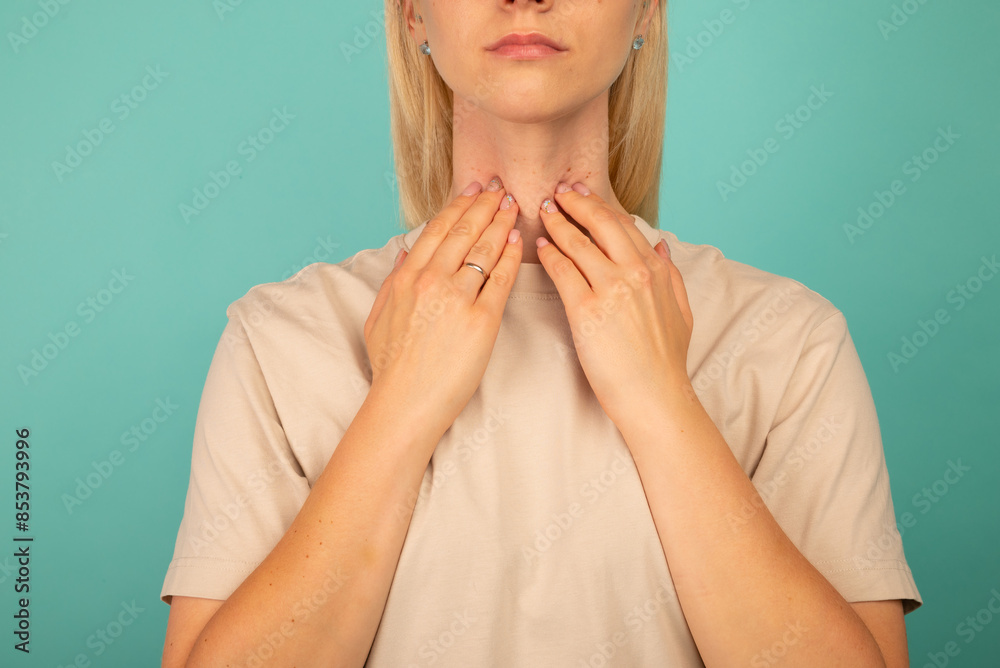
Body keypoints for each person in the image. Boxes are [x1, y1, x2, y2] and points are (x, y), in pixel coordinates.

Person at [161, 1, 922, 666]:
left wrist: (661, 402)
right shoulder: (274, 342)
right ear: (413, 12)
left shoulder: (791, 343)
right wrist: (399, 408)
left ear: (646, 11)